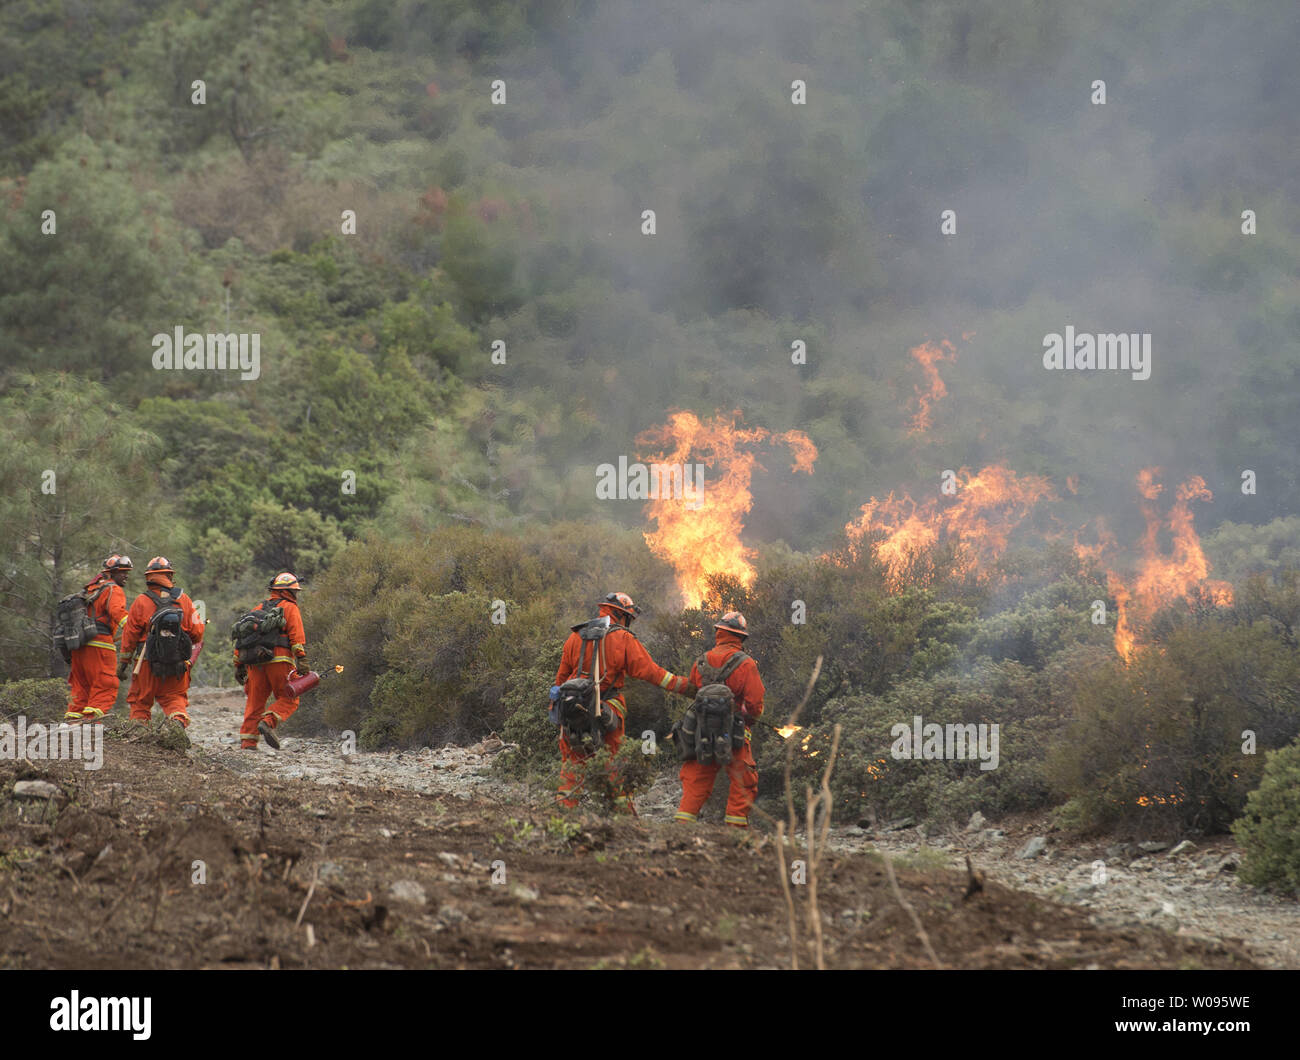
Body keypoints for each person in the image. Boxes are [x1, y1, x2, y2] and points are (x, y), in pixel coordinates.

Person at [552, 592, 690, 811]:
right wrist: (685, 686)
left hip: (570, 713)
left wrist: (556, 712)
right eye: (628, 618)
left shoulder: (575, 636)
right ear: (620, 614)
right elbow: (651, 672)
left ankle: (561, 815)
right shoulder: (622, 638)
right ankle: (624, 821)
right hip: (606, 710)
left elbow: (560, 680)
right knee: (614, 765)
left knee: (571, 767)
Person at [674, 611, 765, 828]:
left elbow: (695, 690)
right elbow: (754, 704)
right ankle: (735, 831)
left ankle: (680, 830)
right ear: (740, 637)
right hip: (733, 734)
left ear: (718, 634)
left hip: (701, 733)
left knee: (696, 780)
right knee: (744, 781)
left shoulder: (701, 662)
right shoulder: (746, 663)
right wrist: (748, 720)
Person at [119, 557, 204, 740]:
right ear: (169, 575)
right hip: (177, 662)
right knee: (175, 699)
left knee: (140, 701)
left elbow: (129, 636)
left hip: (147, 661)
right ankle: (176, 724)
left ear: (149, 577)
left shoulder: (141, 601)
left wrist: (123, 663)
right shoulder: (185, 600)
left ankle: (139, 738)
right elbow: (197, 632)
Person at [235, 572, 309, 750]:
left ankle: (248, 742)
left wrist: (239, 665)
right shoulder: (290, 608)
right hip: (280, 661)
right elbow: (296, 635)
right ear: (288, 592)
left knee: (255, 701)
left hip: (254, 663)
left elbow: (242, 637)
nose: (296, 595)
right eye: (295, 592)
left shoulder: (257, 608)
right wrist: (301, 658)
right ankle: (268, 722)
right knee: (290, 698)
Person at [64, 554, 131, 723]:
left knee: (81, 687)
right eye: (122, 572)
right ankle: (90, 724)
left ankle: (73, 723)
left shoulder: (89, 590)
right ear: (111, 573)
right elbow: (118, 614)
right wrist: (138, 628)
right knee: (106, 683)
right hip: (100, 645)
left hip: (79, 645)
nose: (126, 575)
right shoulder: (113, 590)